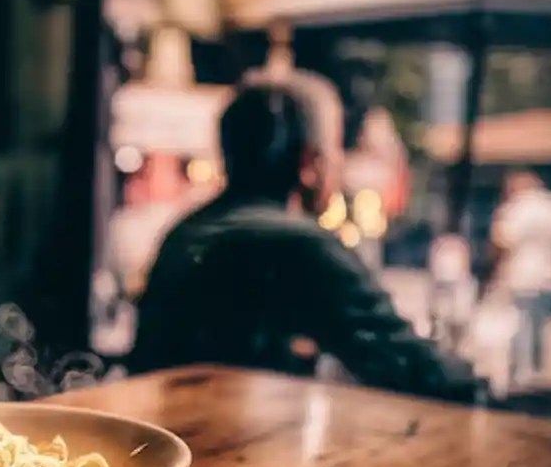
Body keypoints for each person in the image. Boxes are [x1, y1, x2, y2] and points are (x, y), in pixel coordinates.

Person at [129, 71, 478, 402]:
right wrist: (481, 389)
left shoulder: (184, 231)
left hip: (163, 447)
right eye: (335, 149)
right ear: (310, 163)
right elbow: (409, 364)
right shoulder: (300, 246)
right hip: (236, 453)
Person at [490, 170, 551, 387]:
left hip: (522, 274)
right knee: (538, 323)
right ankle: (535, 367)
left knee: (521, 322)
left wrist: (495, 273)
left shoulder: (517, 208)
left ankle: (522, 371)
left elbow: (501, 242)